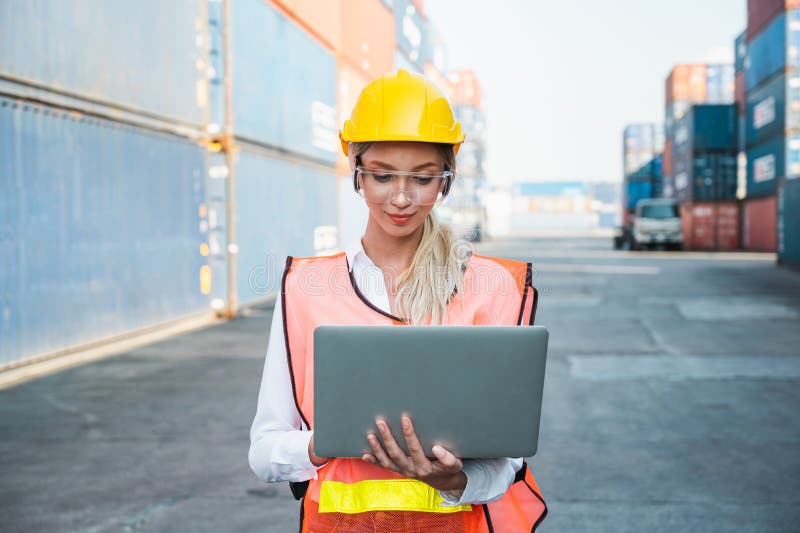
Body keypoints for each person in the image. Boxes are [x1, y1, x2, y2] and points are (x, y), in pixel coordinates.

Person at [249, 69, 547, 532]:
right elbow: (265, 450)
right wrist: (316, 447)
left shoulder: (492, 288)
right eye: (383, 176)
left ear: (446, 180)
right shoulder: (307, 289)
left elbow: (507, 460)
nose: (402, 198)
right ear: (357, 175)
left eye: (423, 179)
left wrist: (457, 479)